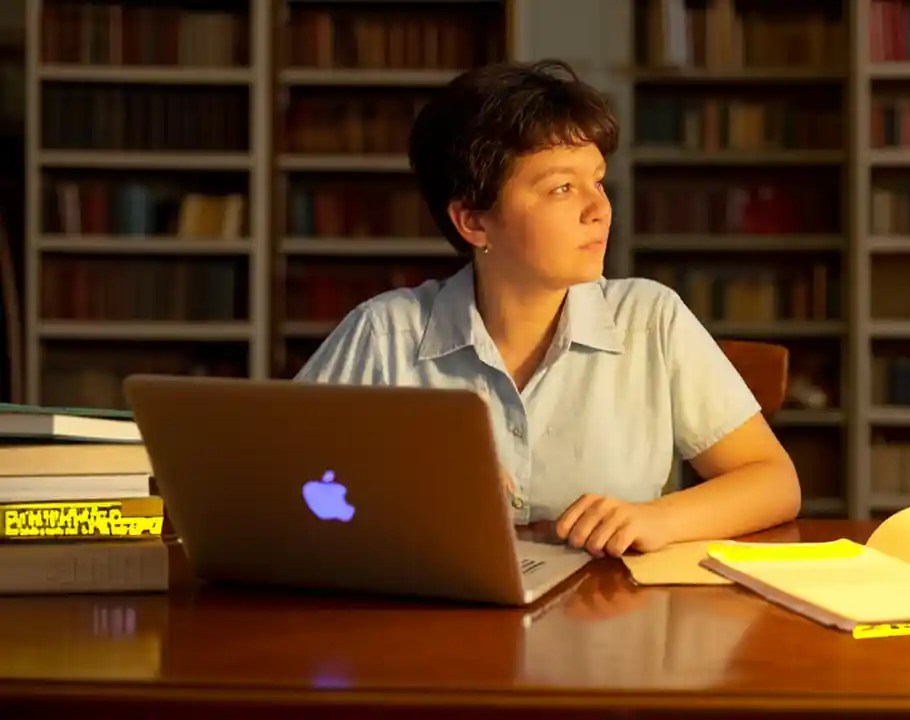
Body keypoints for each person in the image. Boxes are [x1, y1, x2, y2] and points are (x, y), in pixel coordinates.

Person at [294, 59, 800, 558]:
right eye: (562, 188)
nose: (598, 209)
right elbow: (279, 490)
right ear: (474, 222)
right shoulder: (383, 337)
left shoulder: (650, 320)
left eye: (597, 181)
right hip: (431, 621)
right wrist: (406, 495)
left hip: (609, 624)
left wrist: (655, 519)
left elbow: (773, 482)